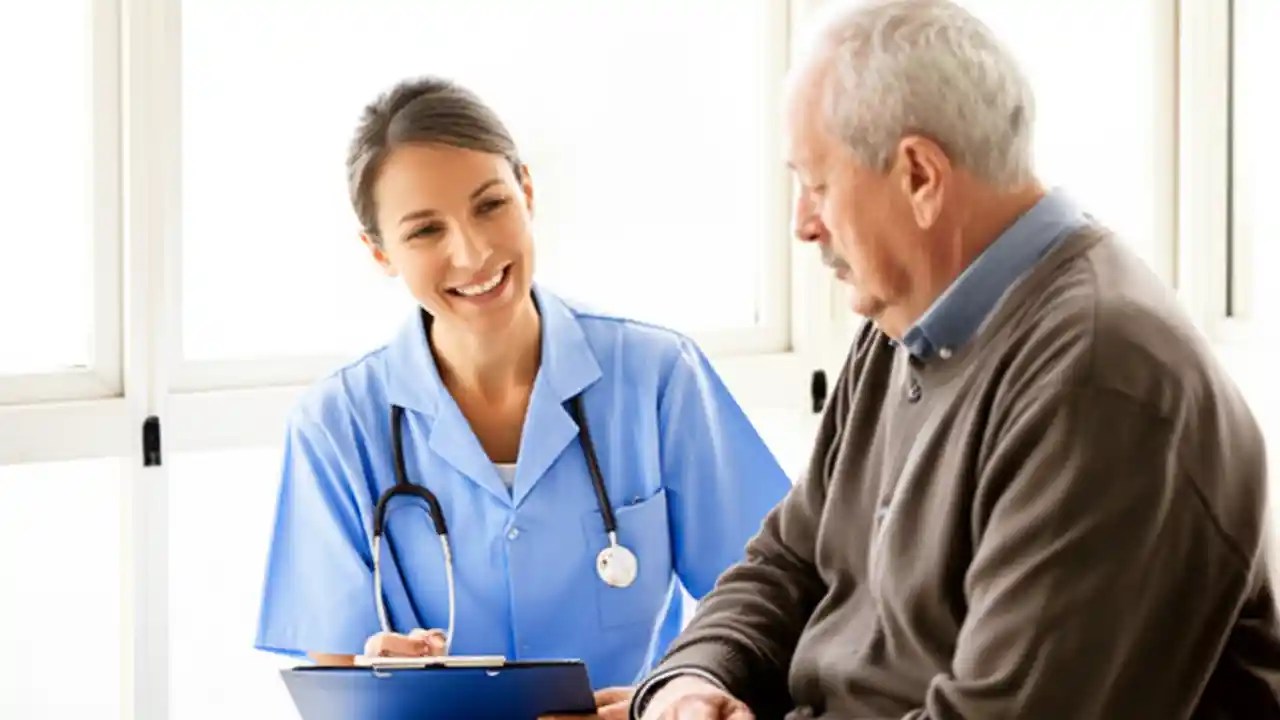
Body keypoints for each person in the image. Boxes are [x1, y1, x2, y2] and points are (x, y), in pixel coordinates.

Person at [629, 1, 1280, 718]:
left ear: (919, 176)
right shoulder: (904, 322)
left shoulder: (1101, 380)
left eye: (817, 185)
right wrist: (695, 682)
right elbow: (790, 560)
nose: (802, 223)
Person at [252, 76, 792, 716]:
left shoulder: (656, 377)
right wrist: (382, 674)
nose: (473, 253)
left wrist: (681, 692)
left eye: (490, 205)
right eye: (425, 230)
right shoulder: (336, 427)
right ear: (379, 252)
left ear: (526, 191)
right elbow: (336, 685)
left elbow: (778, 598)